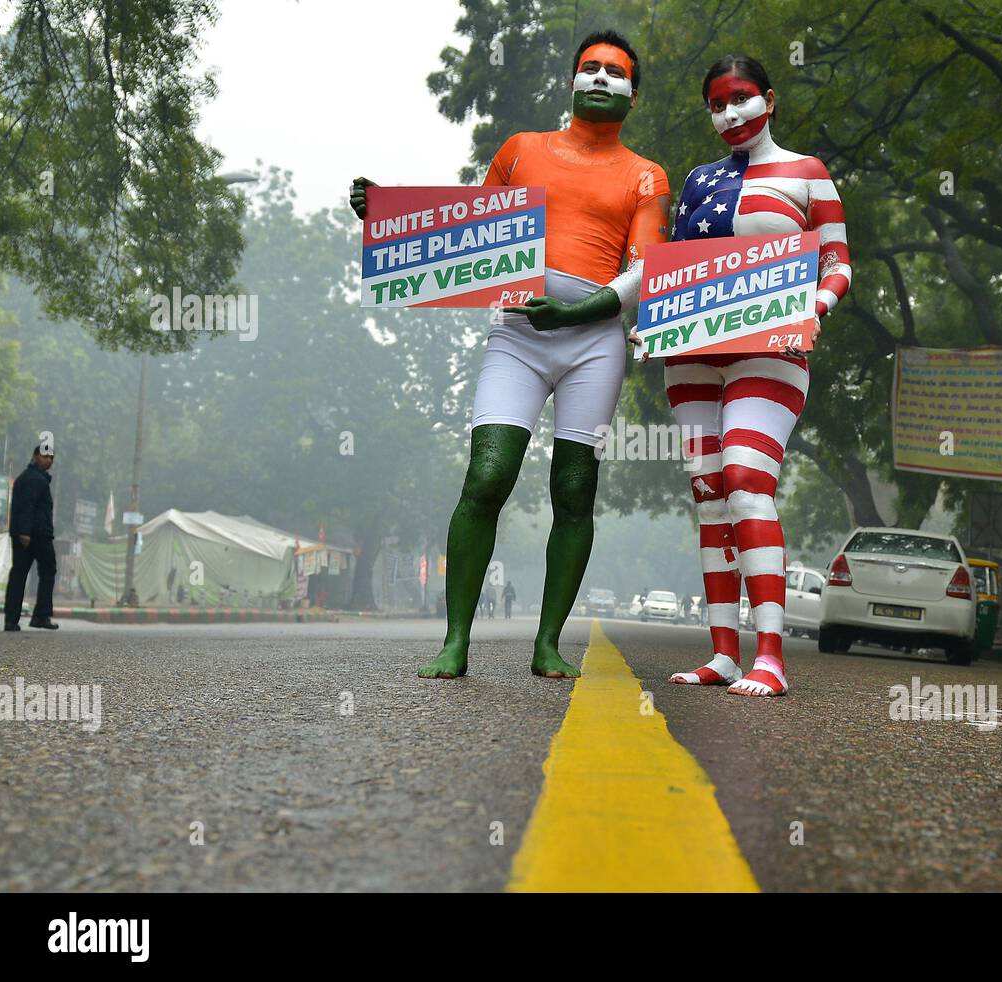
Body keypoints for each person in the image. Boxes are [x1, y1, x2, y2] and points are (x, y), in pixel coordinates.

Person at [350, 30, 669, 680]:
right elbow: (476, 234)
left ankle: (548, 642)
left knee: (574, 492)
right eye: (591, 68)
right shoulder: (521, 150)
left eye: (616, 72)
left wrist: (580, 312)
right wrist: (389, 217)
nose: (602, 78)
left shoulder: (647, 174)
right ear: (572, 81)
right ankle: (455, 640)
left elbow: (646, 269)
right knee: (487, 477)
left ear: (633, 96)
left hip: (595, 341)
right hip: (518, 334)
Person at [654, 55, 851, 697]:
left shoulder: (807, 173)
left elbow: (838, 262)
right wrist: (654, 317)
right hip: (692, 353)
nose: (730, 114)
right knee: (709, 490)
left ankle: (771, 655)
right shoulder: (696, 182)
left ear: (770, 98)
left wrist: (816, 306)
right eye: (716, 104)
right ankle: (723, 653)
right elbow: (679, 265)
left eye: (740, 98)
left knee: (745, 477)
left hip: (773, 347)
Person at [4, 444, 59, 631]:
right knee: (48, 571)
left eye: (51, 457)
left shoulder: (26, 477)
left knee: (18, 575)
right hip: (36, 535)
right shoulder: (35, 479)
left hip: (24, 533)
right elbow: (27, 506)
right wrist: (25, 532)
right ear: (35, 456)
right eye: (45, 456)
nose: (49, 460)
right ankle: (41, 616)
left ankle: (11, 620)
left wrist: (22, 531)